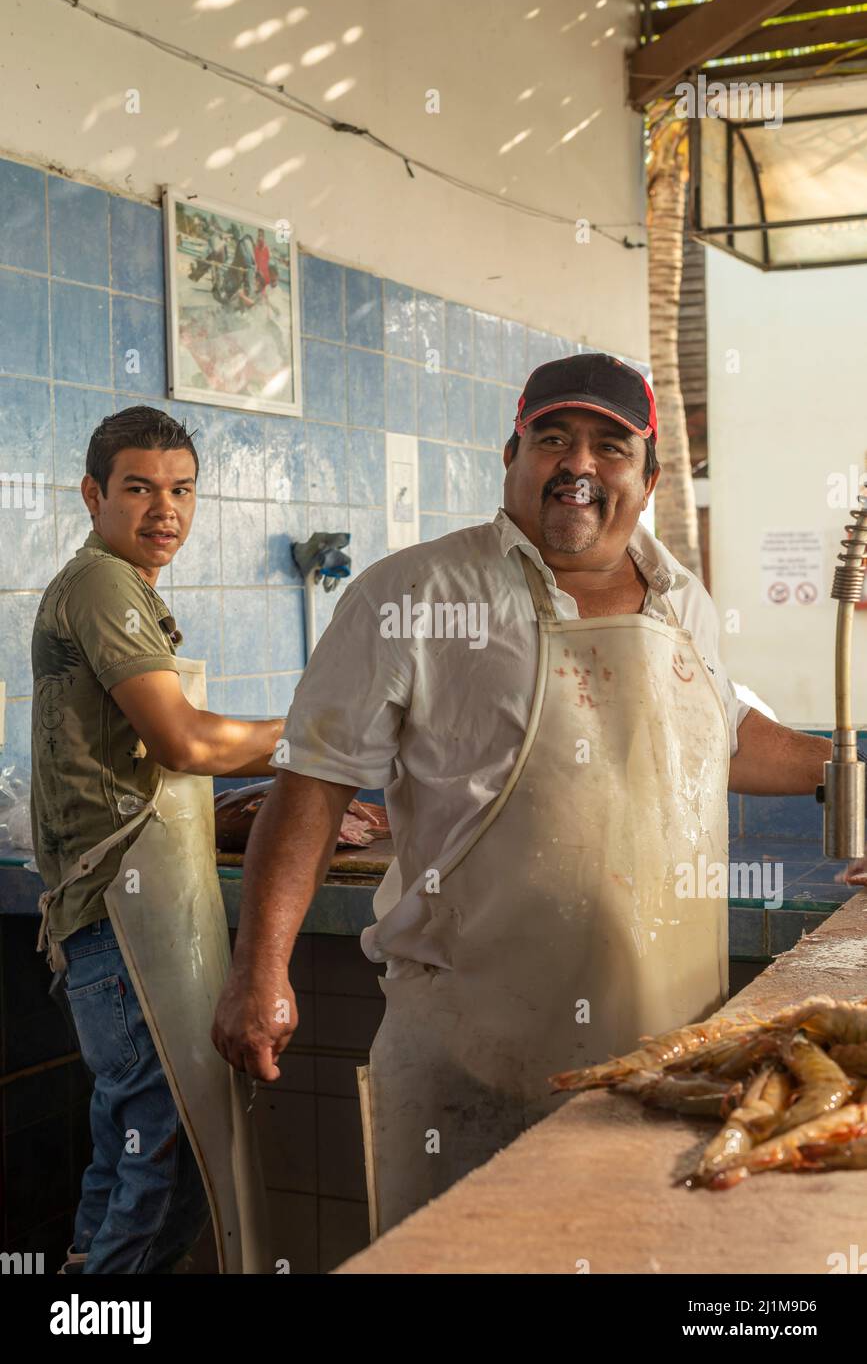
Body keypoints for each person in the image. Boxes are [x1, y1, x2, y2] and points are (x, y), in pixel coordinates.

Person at [211, 353, 836, 1235]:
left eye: (609, 447)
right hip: (473, 1053)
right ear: (511, 459)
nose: (578, 464)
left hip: (670, 1054)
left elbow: (719, 736)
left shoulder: (682, 599)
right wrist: (258, 969)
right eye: (553, 439)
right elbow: (312, 783)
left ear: (647, 478)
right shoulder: (414, 594)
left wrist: (848, 780)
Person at [31, 406, 284, 1273]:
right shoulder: (101, 583)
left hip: (113, 918)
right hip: (116, 926)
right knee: (164, 1166)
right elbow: (181, 741)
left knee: (133, 1153)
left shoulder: (126, 585)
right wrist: (322, 736)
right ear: (94, 494)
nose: (164, 510)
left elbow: (137, 766)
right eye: (138, 488)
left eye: (181, 491)